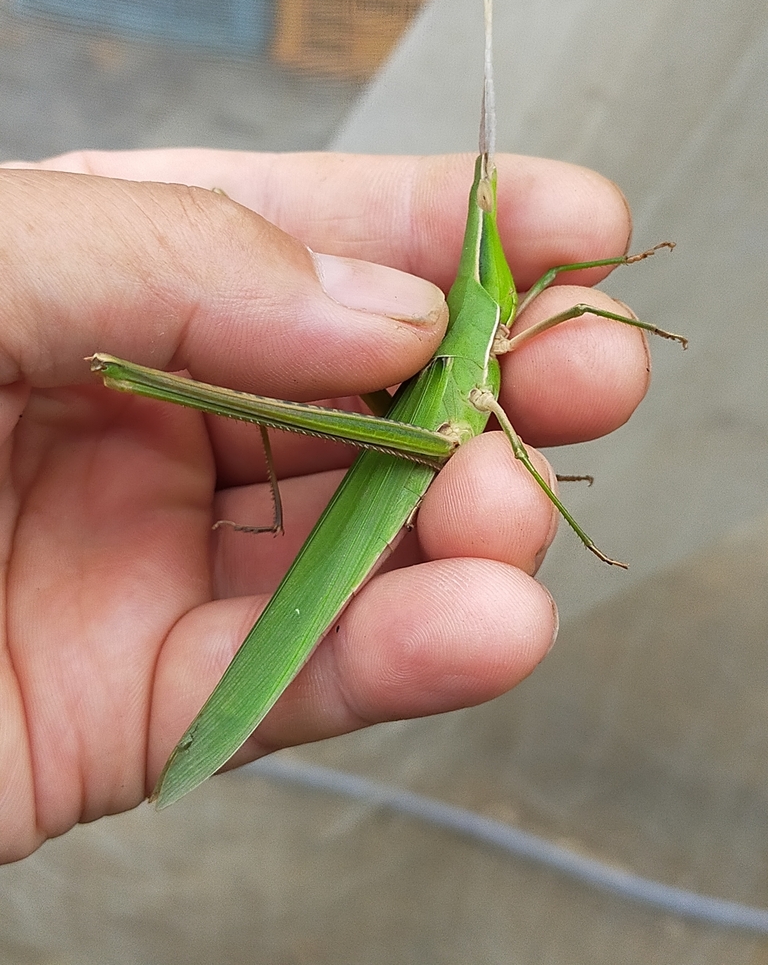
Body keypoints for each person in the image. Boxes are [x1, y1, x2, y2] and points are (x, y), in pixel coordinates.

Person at [0, 148, 648, 862]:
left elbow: (562, 281)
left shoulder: (499, 298)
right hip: (425, 438)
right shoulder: (461, 309)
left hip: (412, 438)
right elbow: (566, 301)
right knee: (504, 461)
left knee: (500, 485)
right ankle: (143, 388)